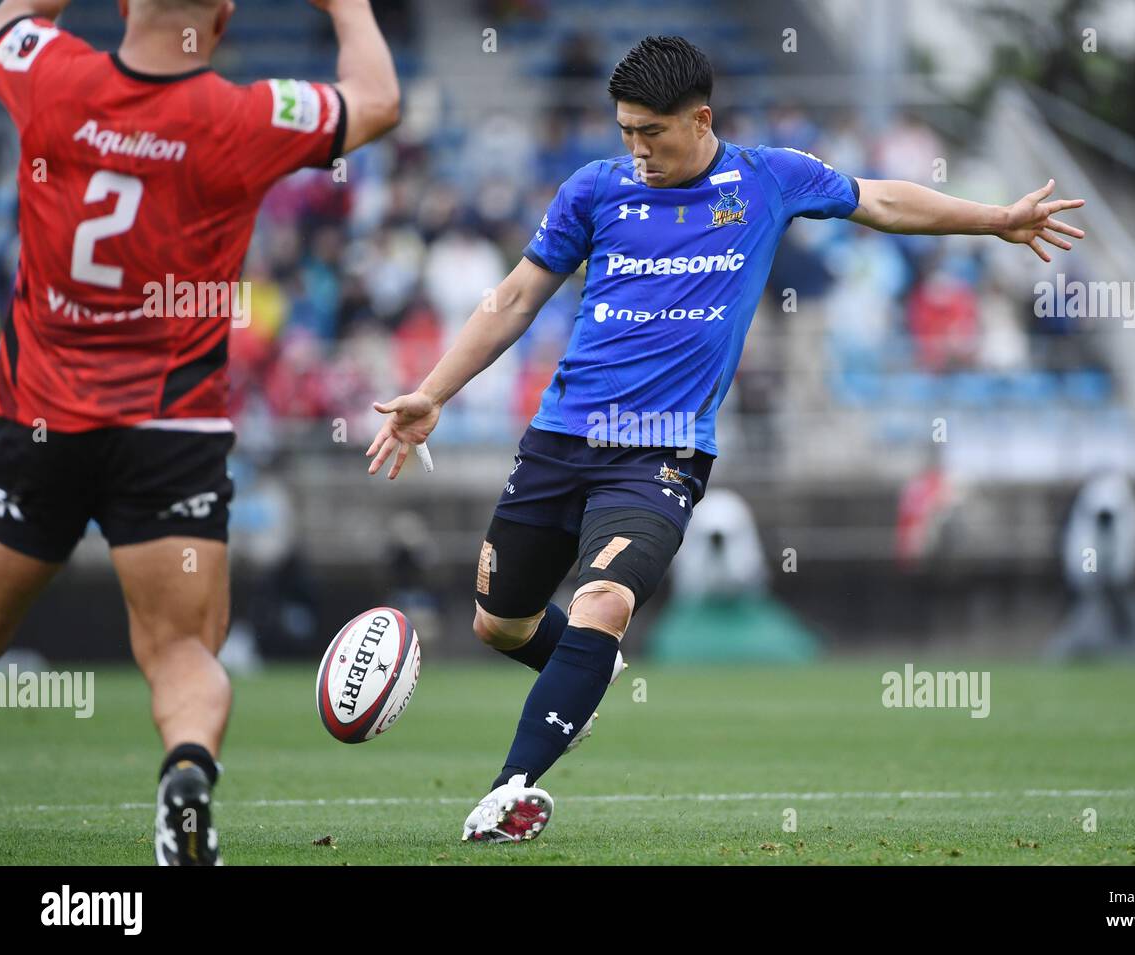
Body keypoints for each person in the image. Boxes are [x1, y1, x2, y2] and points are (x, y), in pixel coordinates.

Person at [366, 35, 1084, 843]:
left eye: (652, 133)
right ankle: (583, 677)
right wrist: (431, 393)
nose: (635, 149)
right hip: (560, 439)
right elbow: (513, 299)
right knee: (499, 624)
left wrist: (996, 220)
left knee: (604, 601)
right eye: (625, 131)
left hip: (663, 453)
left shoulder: (768, 179)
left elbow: (880, 200)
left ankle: (509, 790)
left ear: (700, 119)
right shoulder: (593, 190)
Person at [0, 0, 399, 864]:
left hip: (37, 420)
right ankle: (186, 772)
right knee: (179, 649)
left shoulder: (50, 75)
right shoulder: (243, 117)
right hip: (169, 433)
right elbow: (377, 99)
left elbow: (10, 16)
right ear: (220, 18)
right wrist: (345, 6)